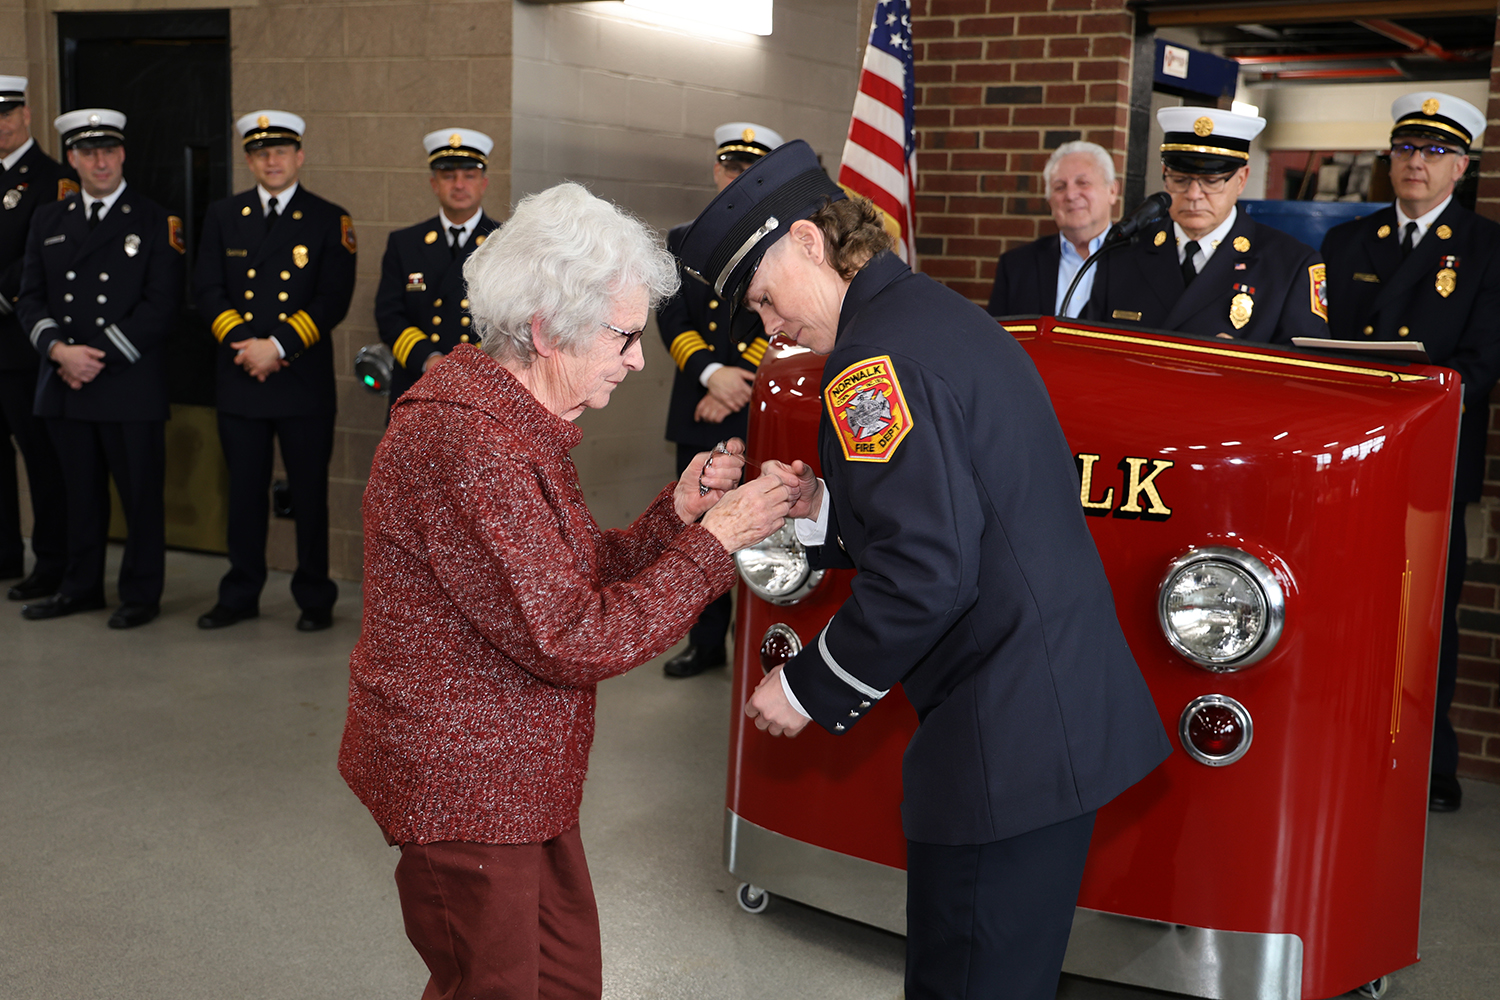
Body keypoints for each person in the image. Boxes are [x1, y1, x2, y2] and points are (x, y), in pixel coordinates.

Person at [677, 140, 1171, 1000]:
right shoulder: (926, 313)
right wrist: (820, 508)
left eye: (762, 298)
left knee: (967, 981)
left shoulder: (872, 362)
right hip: (1046, 708)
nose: (767, 329)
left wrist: (808, 686)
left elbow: (927, 572)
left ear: (808, 241)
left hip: (1004, 730)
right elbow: (957, 511)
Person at [337, 182, 792, 999]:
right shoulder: (475, 445)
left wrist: (678, 517)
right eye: (623, 335)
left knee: (566, 981)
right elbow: (572, 636)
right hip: (468, 785)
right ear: (547, 330)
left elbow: (561, 573)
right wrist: (716, 545)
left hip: (518, 775)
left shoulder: (509, 421)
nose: (639, 359)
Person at [1321, 91, 1500, 814]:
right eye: (1404, 148)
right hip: (1354, 462)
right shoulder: (1346, 241)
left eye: (1433, 150)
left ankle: (1431, 761)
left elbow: (1482, 363)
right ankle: (1341, 743)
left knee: (1425, 617)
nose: (1415, 162)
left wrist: (1404, 406)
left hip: (1433, 462)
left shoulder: (1487, 248)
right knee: (1344, 608)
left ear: (1461, 166)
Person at [14, 108, 184, 628]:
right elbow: (30, 298)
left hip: (128, 383)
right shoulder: (49, 219)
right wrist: (60, 352)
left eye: (109, 151)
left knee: (139, 498)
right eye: (89, 153)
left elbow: (161, 306)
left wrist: (95, 355)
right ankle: (80, 586)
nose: (101, 162)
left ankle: (141, 593)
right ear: (73, 159)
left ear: (123, 154)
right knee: (77, 496)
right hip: (66, 381)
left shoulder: (156, 220)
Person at [194, 110, 356, 633]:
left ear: (299, 156)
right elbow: (207, 289)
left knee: (308, 494)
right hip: (241, 373)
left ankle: (314, 595)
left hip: (301, 379)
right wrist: (248, 348)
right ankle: (240, 592)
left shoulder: (329, 218)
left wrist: (278, 346)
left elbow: (333, 298)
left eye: (281, 151)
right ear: (248, 160)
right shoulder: (223, 215)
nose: (272, 160)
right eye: (261, 153)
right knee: (243, 493)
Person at [658, 121, 783, 678]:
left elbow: (783, 317)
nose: (738, 177)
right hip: (699, 401)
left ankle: (755, 639)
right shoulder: (682, 240)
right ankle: (706, 642)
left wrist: (739, 380)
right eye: (731, 167)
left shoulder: (784, 239)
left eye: (751, 170)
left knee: (762, 526)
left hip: (758, 406)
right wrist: (712, 375)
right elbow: (671, 316)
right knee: (697, 527)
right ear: (716, 170)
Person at [1089, 107, 1327, 342]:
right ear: (1164, 174)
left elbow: (1308, 361)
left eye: (1211, 181)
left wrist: (1244, 361)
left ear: (1241, 179)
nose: (1194, 194)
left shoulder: (1290, 265)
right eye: (1180, 179)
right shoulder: (1124, 251)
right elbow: (1088, 346)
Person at [0, 76, 72, 602]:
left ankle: (53, 563)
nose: (0, 125)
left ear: (27, 115)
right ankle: (4, 553)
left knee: (42, 458)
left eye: (7, 114)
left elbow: (46, 254)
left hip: (22, 343)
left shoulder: (54, 180)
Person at [375, 128, 500, 410]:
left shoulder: (505, 242)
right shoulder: (404, 243)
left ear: (484, 183)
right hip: (418, 384)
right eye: (448, 176)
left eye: (469, 176)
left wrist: (468, 364)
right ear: (434, 183)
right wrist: (428, 359)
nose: (459, 185)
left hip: (480, 387)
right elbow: (388, 315)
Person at [986, 139, 1118, 319]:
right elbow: (995, 334)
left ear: (1112, 191)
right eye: (1060, 187)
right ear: (1049, 200)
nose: (1070, 195)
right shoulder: (1016, 266)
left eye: (1083, 183)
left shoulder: (1141, 261)